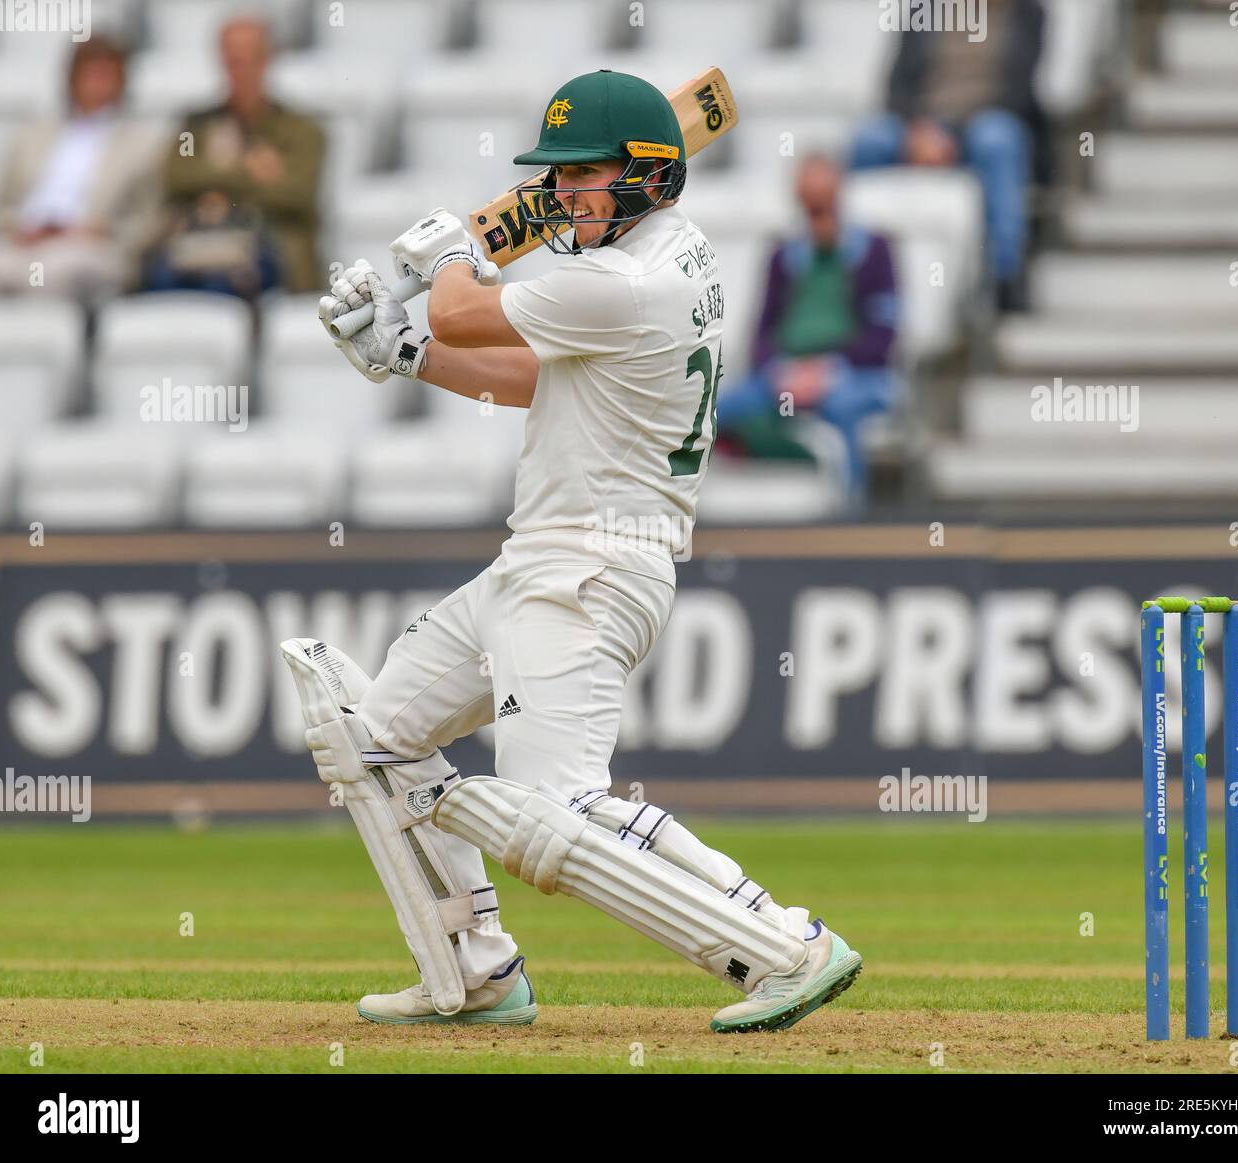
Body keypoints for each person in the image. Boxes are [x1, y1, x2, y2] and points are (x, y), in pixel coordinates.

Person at [301, 69, 862, 1033]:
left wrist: (446, 253)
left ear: (648, 174)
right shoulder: (660, 258)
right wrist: (406, 356)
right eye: (553, 178)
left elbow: (464, 310)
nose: (561, 197)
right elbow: (533, 378)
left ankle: (785, 942)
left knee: (553, 808)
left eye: (583, 177)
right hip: (545, 558)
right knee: (380, 735)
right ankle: (475, 969)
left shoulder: (631, 280)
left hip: (592, 568)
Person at [716, 154, 898, 498]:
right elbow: (763, 334)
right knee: (718, 412)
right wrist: (783, 371)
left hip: (854, 375)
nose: (818, 214)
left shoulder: (875, 251)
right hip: (786, 374)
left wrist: (826, 370)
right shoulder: (783, 255)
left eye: (824, 203)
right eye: (810, 205)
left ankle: (849, 514)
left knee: (843, 409)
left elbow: (883, 335)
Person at [851, 0, 1046, 309]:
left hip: (979, 125)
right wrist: (918, 132)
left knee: (999, 138)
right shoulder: (923, 9)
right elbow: (896, 84)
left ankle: (1005, 274)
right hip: (921, 126)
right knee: (870, 140)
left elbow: (1020, 92)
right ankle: (855, 265)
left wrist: (953, 137)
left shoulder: (1027, 12)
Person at [148, 16, 324, 297]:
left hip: (270, 247)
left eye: (247, 60)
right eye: (231, 61)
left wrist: (215, 181)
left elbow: (296, 193)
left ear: (267, 60)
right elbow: (175, 176)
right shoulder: (197, 124)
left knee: (224, 285)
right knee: (161, 283)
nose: (238, 71)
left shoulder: (302, 130)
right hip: (199, 244)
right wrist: (248, 170)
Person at [0, 35, 164, 302]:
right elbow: (1, 205)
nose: (97, 85)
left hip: (92, 247)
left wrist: (100, 232)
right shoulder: (32, 134)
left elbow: (150, 218)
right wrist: (17, 229)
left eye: (107, 75)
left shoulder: (143, 144)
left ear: (122, 82)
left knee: (49, 273)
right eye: (90, 74)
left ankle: (43, 343)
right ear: (72, 79)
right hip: (24, 241)